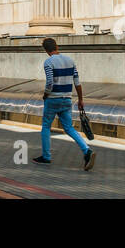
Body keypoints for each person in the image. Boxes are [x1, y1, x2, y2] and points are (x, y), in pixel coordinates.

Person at [34, 37, 95, 170]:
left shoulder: (48, 62)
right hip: (67, 99)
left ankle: (46, 156)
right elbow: (77, 82)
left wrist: (45, 95)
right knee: (69, 128)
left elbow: (50, 82)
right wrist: (80, 99)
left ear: (46, 50)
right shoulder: (70, 61)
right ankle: (87, 151)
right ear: (56, 46)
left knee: (46, 126)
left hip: (53, 99)